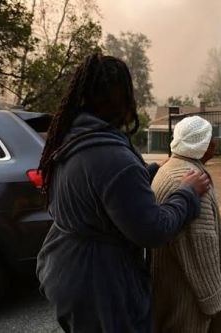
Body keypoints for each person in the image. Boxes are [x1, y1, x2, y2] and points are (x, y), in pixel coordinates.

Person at [36, 53, 210, 333]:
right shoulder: (113, 158)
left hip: (65, 271)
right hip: (101, 288)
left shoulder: (72, 139)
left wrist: (151, 172)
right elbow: (153, 230)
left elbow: (108, 191)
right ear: (122, 100)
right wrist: (187, 194)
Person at [151, 116, 221, 333]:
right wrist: (213, 300)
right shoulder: (191, 180)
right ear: (203, 145)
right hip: (187, 301)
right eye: (211, 137)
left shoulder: (169, 168)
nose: (215, 142)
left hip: (168, 289)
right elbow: (200, 247)